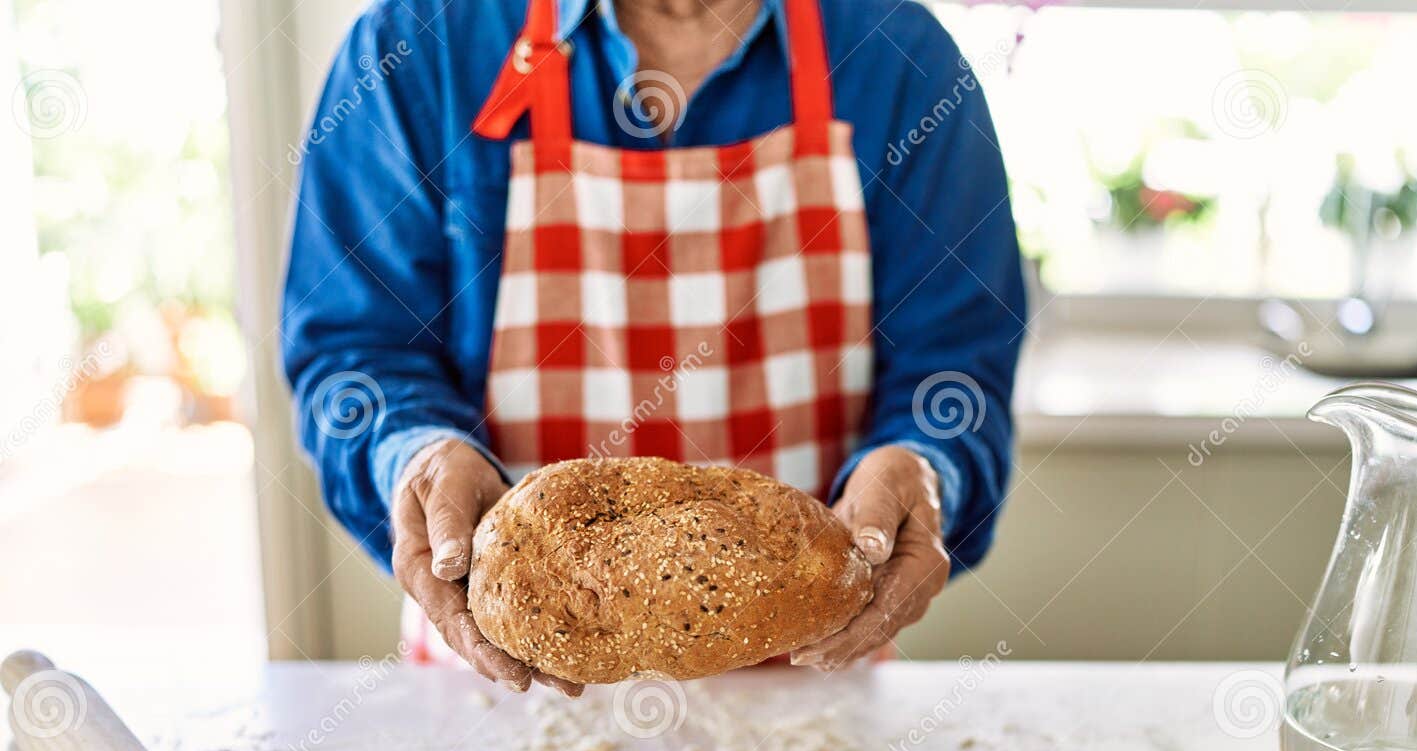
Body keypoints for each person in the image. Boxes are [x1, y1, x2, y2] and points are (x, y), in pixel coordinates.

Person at [282, 0, 1025, 694]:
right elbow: (353, 353)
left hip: (806, 693)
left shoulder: (899, 57)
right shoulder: (419, 47)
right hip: (498, 694)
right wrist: (414, 455)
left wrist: (926, 466)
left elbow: (956, 366)